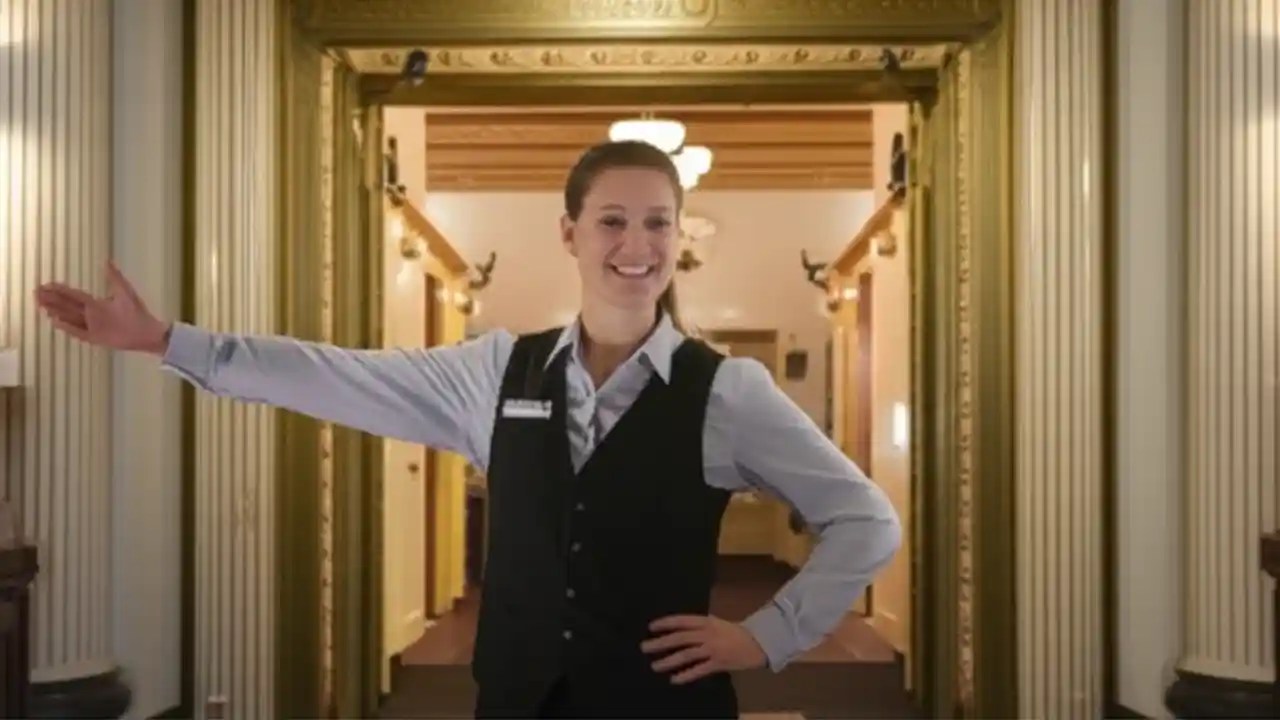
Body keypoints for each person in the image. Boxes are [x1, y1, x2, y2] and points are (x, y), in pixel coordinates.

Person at [36, 140, 902, 718]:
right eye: (612, 220)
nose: (636, 244)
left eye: (657, 222)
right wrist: (164, 340)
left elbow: (865, 519)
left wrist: (767, 633)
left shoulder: (728, 390)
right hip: (516, 701)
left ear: (677, 237)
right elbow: (339, 374)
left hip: (662, 706)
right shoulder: (495, 371)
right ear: (569, 232)